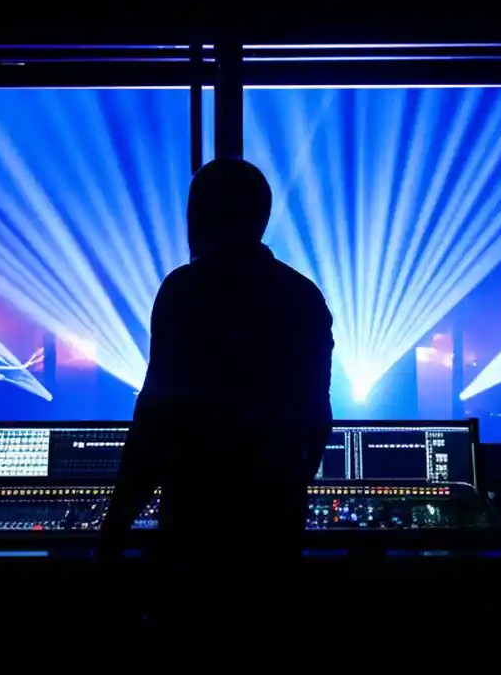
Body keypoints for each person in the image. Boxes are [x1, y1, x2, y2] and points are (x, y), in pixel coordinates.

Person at [100, 158, 333, 643]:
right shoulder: (304, 297)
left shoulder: (184, 291)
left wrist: (115, 530)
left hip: (193, 532)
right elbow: (317, 426)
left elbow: (154, 423)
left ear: (200, 217)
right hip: (275, 532)